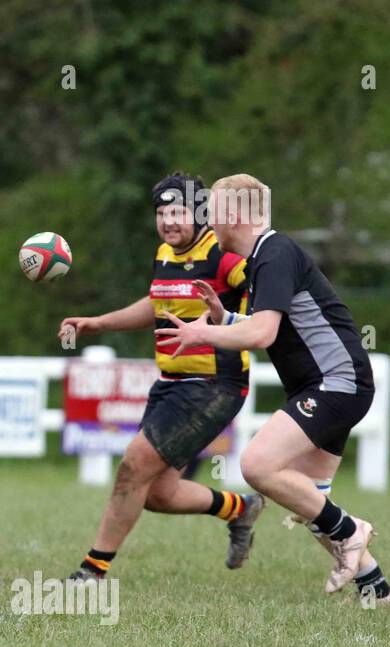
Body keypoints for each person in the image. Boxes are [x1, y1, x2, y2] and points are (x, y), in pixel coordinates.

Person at [156, 173, 390, 607]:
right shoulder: (260, 261)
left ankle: (352, 530)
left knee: (258, 465)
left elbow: (264, 334)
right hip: (329, 383)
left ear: (234, 214)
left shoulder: (275, 253)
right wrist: (222, 318)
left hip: (336, 382)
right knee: (309, 500)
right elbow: (268, 325)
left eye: (212, 213)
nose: (208, 224)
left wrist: (203, 336)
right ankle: (377, 588)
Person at [59, 173, 265, 582]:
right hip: (170, 385)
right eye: (162, 212)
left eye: (179, 212)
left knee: (132, 466)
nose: (169, 221)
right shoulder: (165, 255)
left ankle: (92, 570)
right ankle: (240, 509)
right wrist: (98, 323)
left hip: (214, 387)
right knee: (157, 494)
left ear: (201, 213)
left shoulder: (224, 256)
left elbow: (270, 297)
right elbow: (156, 303)